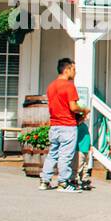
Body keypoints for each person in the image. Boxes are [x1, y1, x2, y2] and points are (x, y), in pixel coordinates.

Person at [39, 57, 87, 192]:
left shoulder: (51, 86)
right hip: (67, 125)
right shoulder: (69, 86)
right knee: (66, 155)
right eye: (74, 69)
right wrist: (84, 110)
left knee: (53, 153)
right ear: (67, 70)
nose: (75, 72)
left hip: (54, 124)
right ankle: (63, 182)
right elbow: (73, 107)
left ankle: (45, 180)